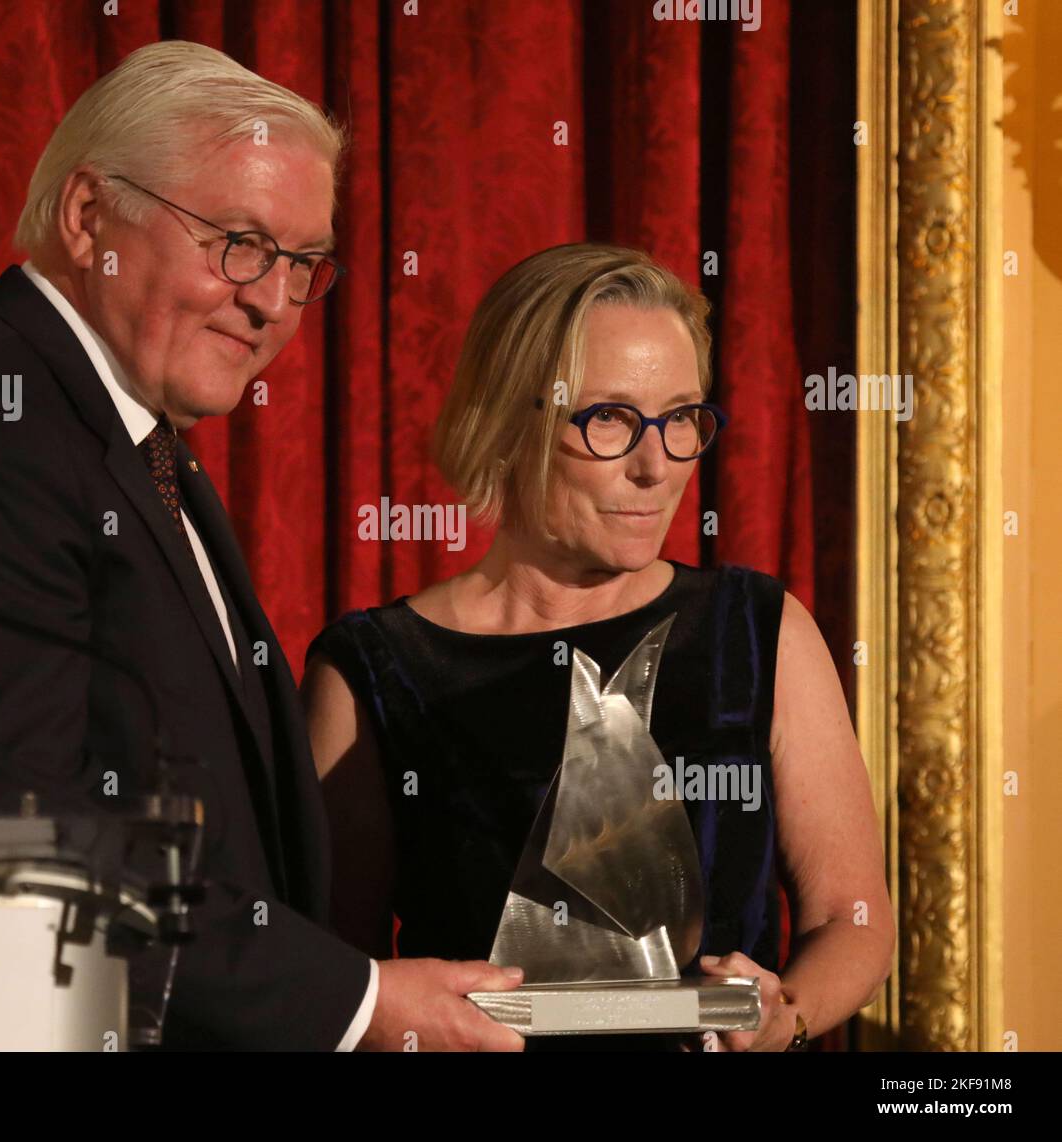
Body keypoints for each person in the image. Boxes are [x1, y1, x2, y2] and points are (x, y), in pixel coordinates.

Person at [0, 41, 524, 1052]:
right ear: (89, 217)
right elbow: (15, 854)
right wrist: (356, 1003)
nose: (273, 304)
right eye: (241, 243)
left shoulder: (120, 439)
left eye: (303, 266)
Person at [303, 243, 896, 1051]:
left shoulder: (758, 631)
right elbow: (336, 979)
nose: (658, 466)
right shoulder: (373, 669)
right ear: (510, 422)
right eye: (610, 418)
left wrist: (783, 1016)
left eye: (683, 418)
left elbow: (852, 922)